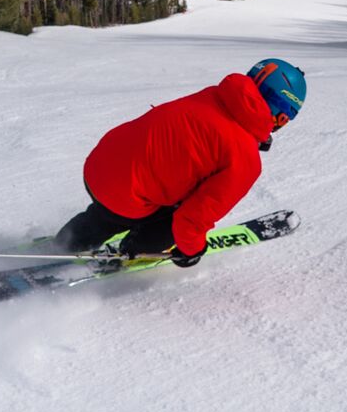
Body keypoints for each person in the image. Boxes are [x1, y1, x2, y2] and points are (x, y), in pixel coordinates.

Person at [52, 58, 307, 265]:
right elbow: (191, 221)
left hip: (98, 166)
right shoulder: (245, 160)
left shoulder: (213, 96)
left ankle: (69, 240)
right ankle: (132, 250)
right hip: (126, 196)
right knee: (171, 222)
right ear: (281, 116)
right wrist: (190, 251)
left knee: (109, 211)